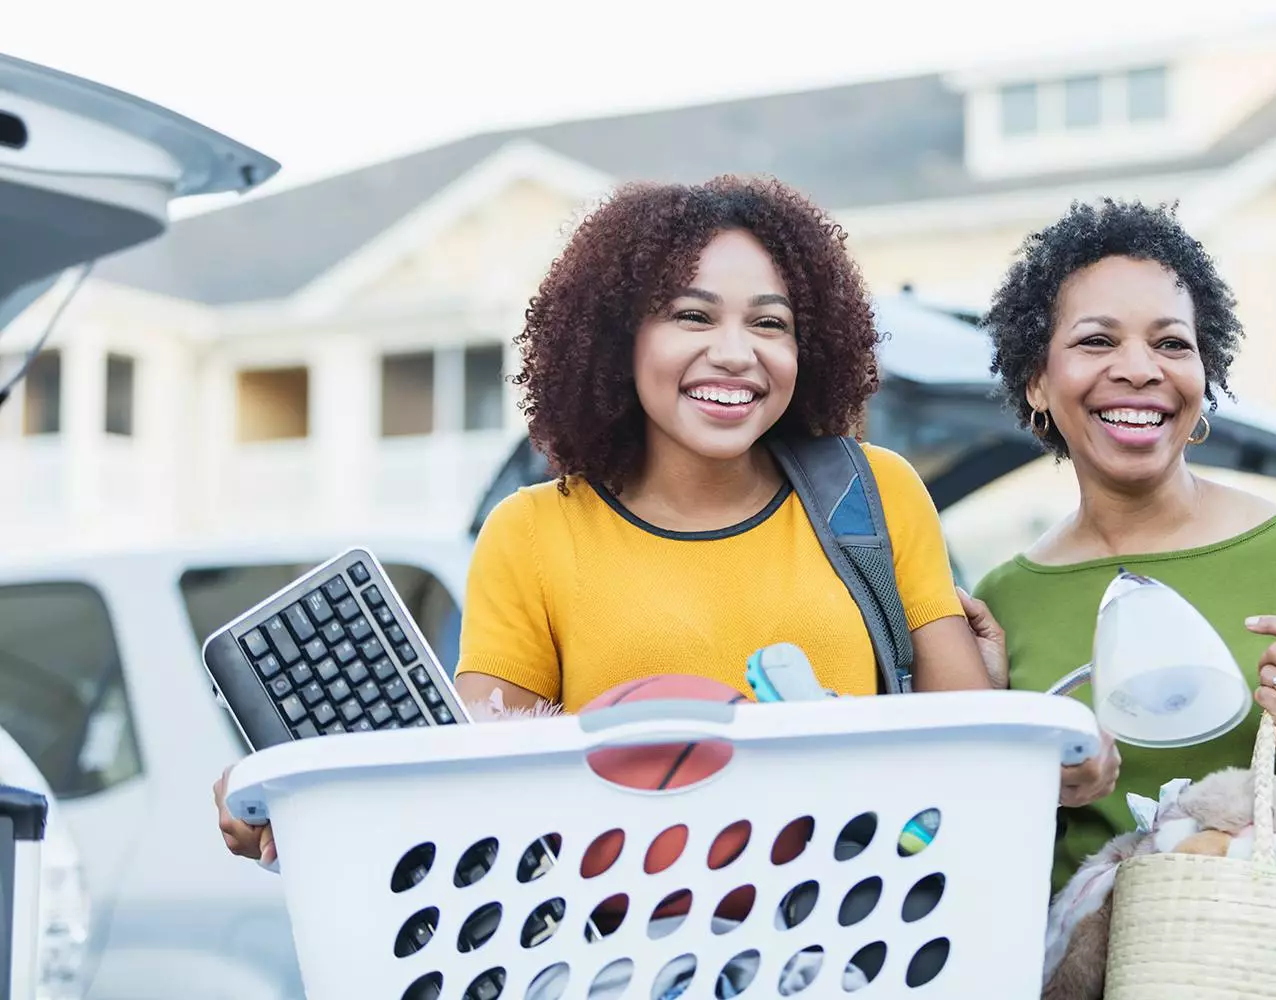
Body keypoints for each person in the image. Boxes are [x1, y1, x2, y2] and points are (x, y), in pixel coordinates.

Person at [215, 175, 1121, 865]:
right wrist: (299, 798)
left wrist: (1046, 761)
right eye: (692, 316)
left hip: (859, 937)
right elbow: (474, 789)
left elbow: (968, 757)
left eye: (771, 324)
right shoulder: (533, 535)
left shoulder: (872, 494)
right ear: (619, 339)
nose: (736, 353)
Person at [968, 198, 1276, 894]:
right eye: (1097, 341)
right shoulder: (1004, 600)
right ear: (1036, 379)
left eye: (1171, 343)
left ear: (1204, 377)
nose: (1140, 369)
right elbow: (980, 843)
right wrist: (1032, 772)